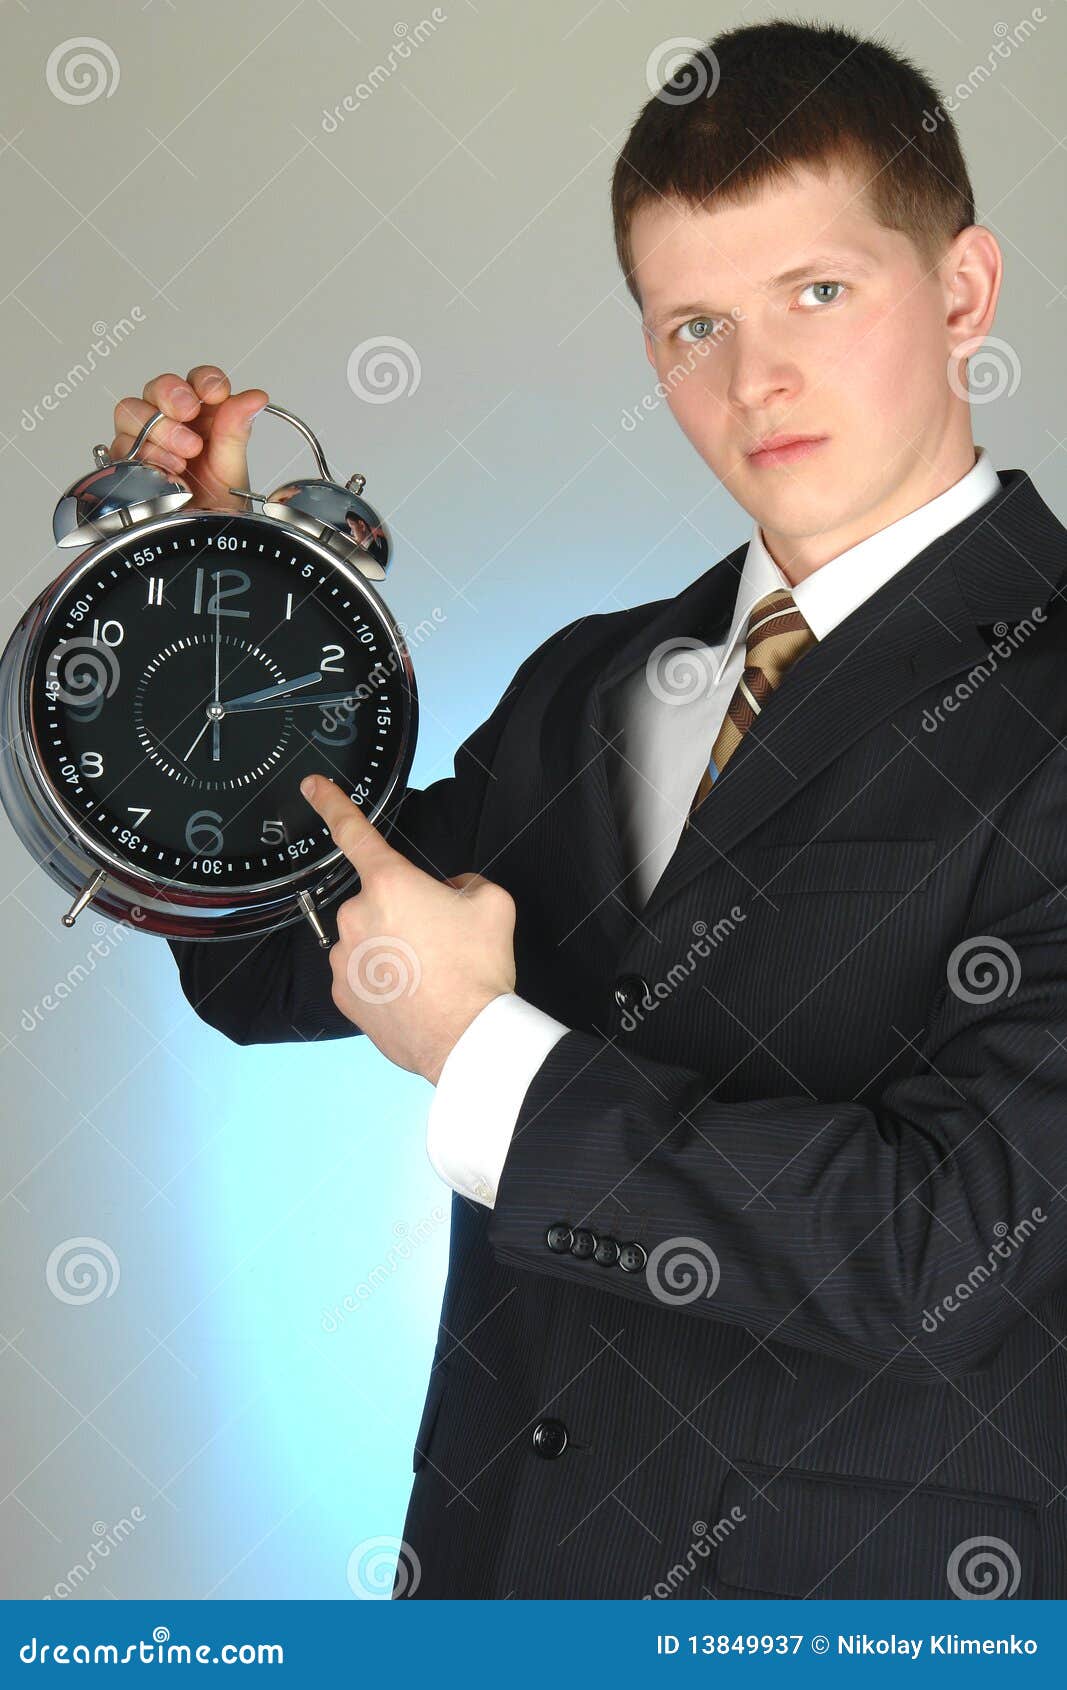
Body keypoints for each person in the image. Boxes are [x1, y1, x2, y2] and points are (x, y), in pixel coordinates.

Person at [111, 19, 1067, 1599]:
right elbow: (270, 959)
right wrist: (199, 612)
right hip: (497, 1585)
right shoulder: (593, 682)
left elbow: (952, 1245)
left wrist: (486, 1054)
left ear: (964, 291)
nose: (756, 378)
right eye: (694, 323)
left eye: (818, 293)